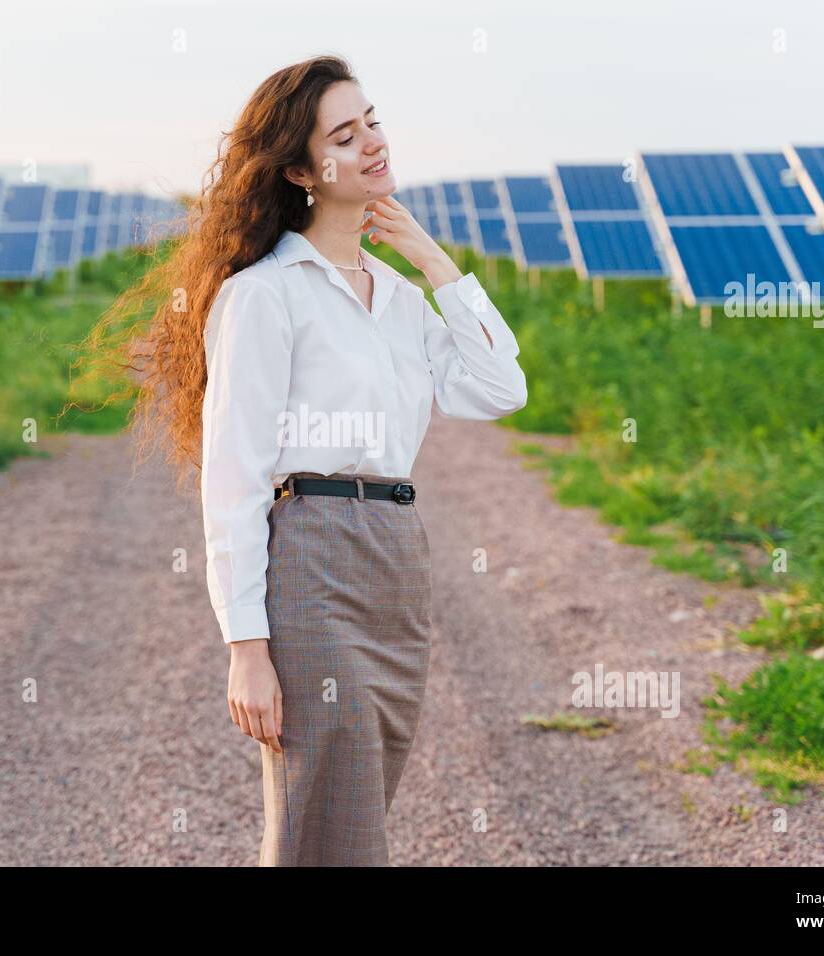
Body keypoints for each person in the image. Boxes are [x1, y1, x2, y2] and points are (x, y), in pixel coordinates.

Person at [77, 54, 527, 866]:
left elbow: (501, 387)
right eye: (344, 137)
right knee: (319, 816)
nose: (372, 145)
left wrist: (436, 266)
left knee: (353, 815)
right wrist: (246, 647)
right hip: (313, 561)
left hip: (397, 559)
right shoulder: (264, 294)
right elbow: (235, 476)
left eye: (373, 123)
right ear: (300, 169)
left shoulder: (398, 299)